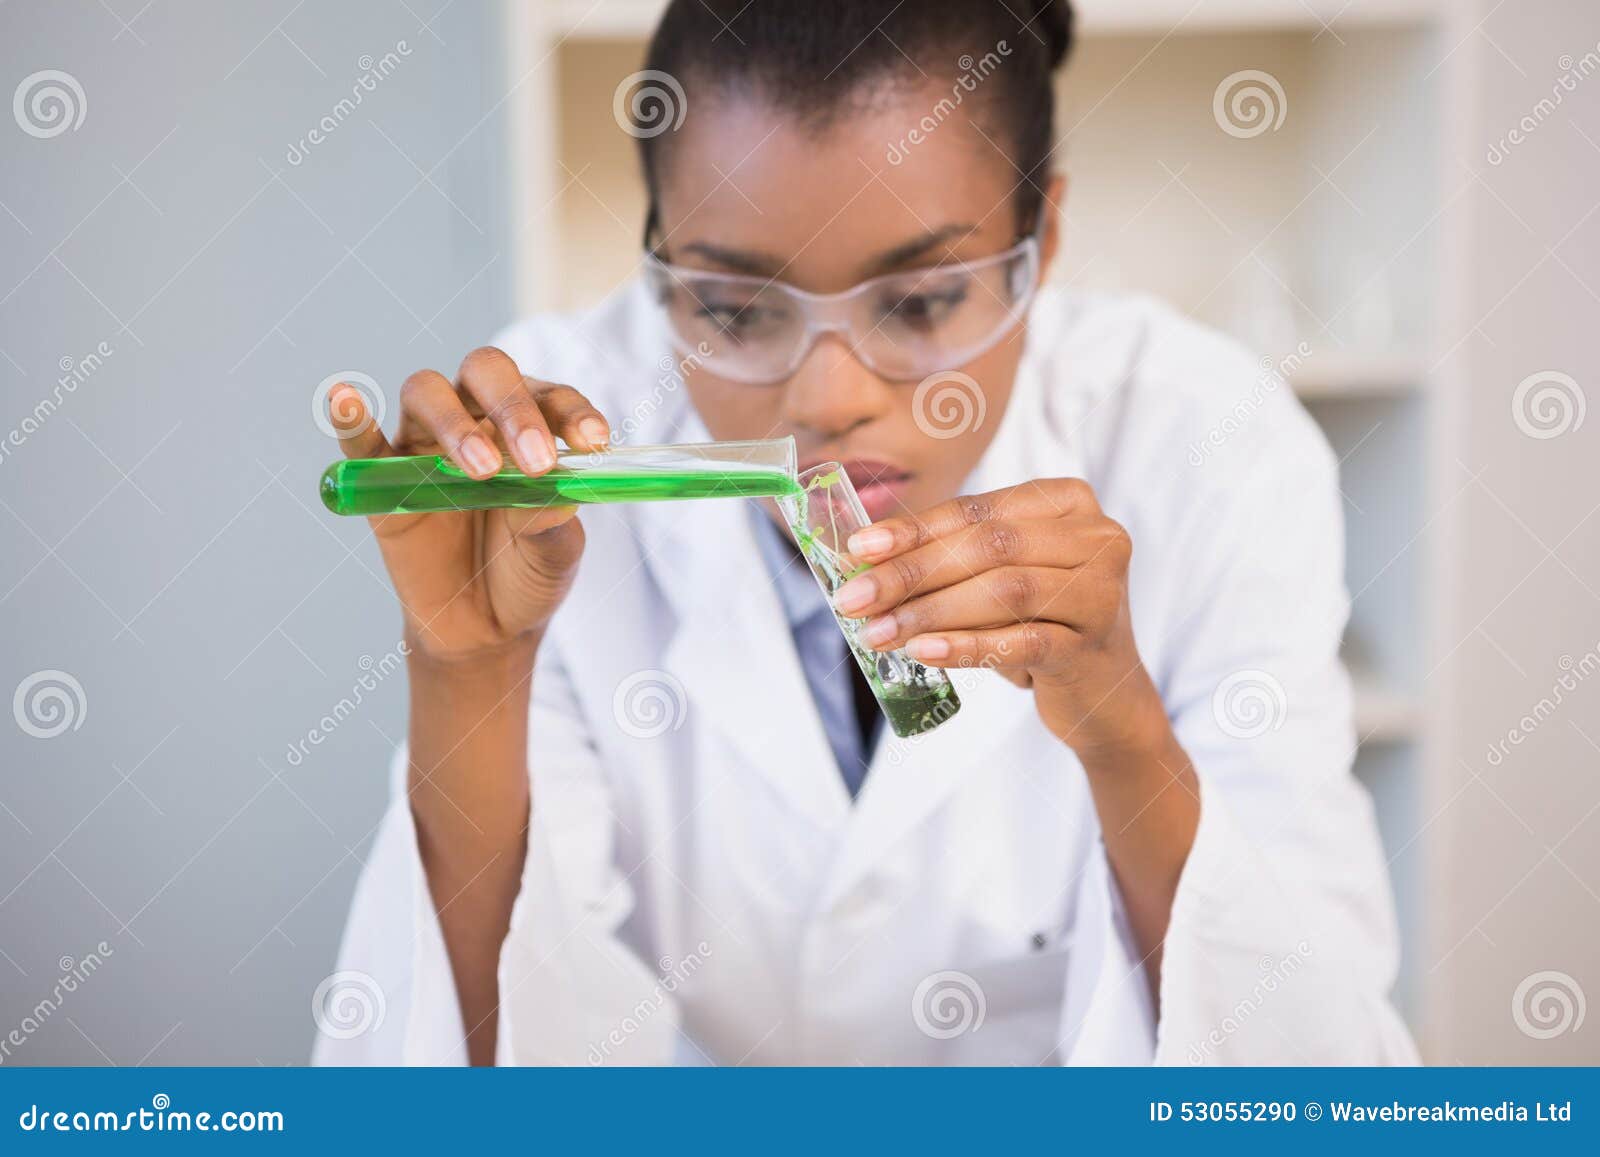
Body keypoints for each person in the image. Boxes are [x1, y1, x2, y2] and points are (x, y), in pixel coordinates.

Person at [316, 0, 1415, 1065]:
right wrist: (468, 670)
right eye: (737, 311)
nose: (828, 397)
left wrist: (1122, 730)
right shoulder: (557, 454)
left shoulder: (1207, 438)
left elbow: (1314, 1078)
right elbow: (442, 1087)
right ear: (658, 269)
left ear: (1043, 237)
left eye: (923, 299)